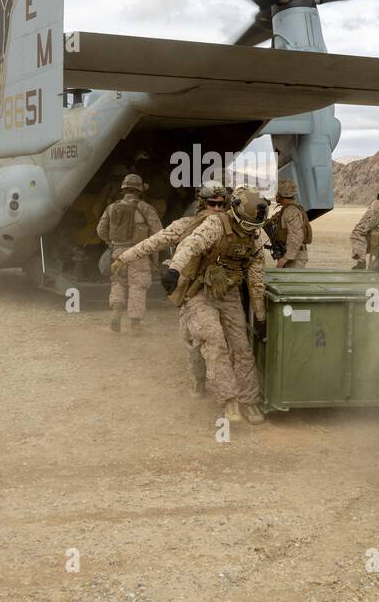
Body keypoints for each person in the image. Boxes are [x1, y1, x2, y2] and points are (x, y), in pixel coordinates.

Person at [162, 185, 269, 426]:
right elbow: (191, 245)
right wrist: (174, 270)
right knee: (214, 342)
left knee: (242, 348)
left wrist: (260, 317)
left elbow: (255, 281)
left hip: (228, 294)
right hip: (199, 291)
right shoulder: (215, 224)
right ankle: (229, 400)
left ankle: (250, 401)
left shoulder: (255, 237)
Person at [111, 182, 228, 395]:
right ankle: (199, 381)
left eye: (222, 205)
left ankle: (229, 394)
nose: (218, 209)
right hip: (194, 291)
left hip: (225, 290)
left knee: (226, 342)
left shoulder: (228, 226)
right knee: (194, 340)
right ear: (202, 203)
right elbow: (155, 241)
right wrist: (125, 257)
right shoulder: (186, 225)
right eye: (213, 204)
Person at [96, 173, 163, 333]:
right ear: (139, 190)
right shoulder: (145, 208)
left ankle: (116, 313)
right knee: (137, 286)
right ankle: (135, 325)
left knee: (118, 283)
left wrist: (111, 243)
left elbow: (100, 230)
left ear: (123, 189)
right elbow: (159, 232)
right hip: (138, 253)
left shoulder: (111, 208)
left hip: (117, 252)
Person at [268, 178, 311, 268]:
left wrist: (286, 258)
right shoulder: (286, 209)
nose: (275, 196)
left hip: (294, 257)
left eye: (277, 193)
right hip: (291, 254)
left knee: (292, 282)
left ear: (282, 195)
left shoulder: (291, 211)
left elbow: (296, 236)